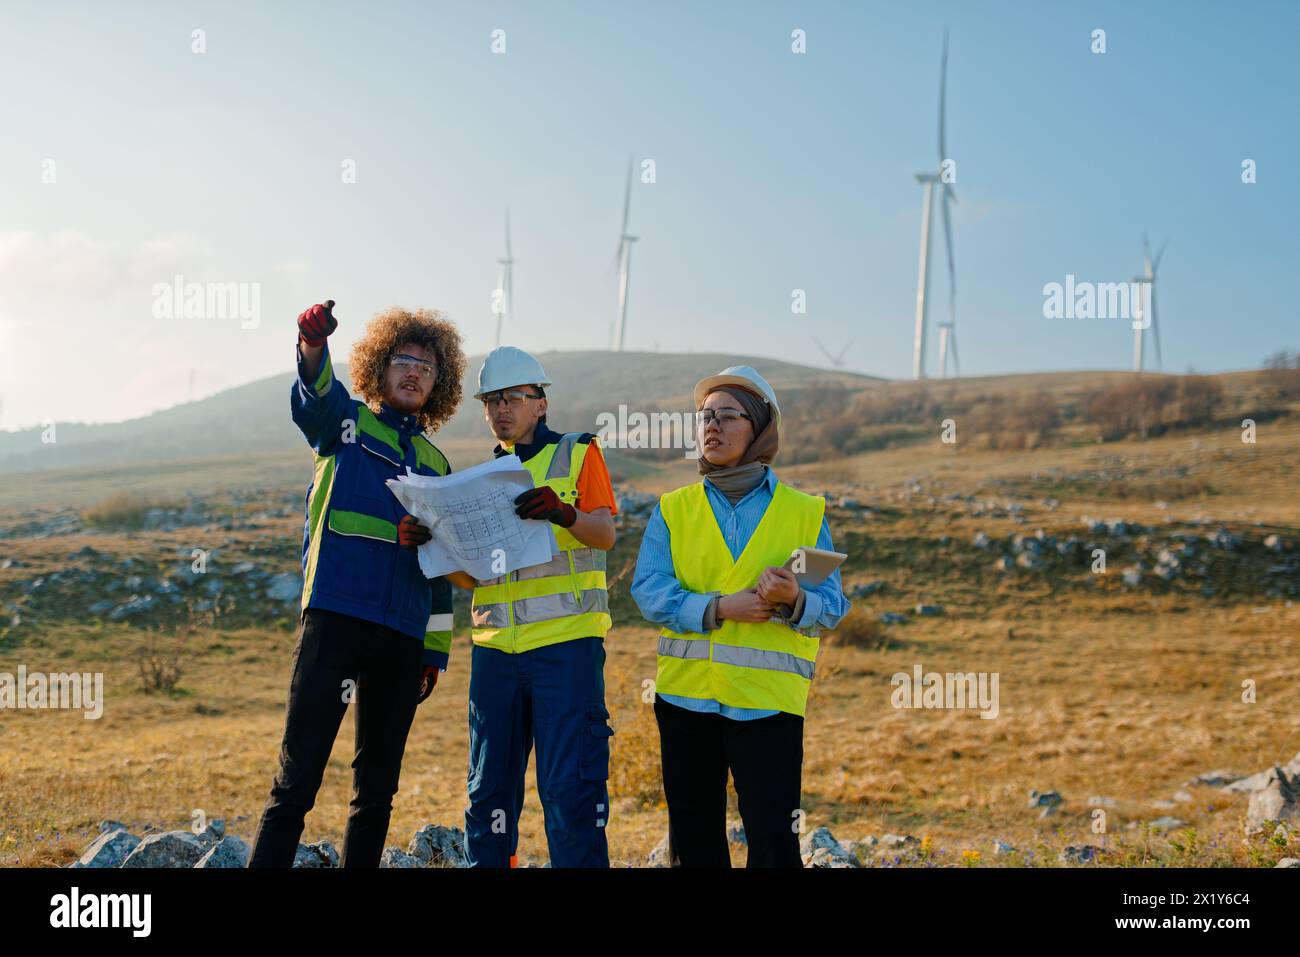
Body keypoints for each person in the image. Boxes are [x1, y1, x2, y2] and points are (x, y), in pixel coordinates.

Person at [248, 300, 466, 868]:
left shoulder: (436, 463)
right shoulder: (345, 424)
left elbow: (441, 569)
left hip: (401, 637)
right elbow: (314, 397)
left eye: (427, 366)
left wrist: (433, 652)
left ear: (439, 383)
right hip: (336, 619)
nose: (414, 372)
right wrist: (312, 345)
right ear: (378, 367)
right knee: (297, 780)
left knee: (376, 793)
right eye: (403, 360)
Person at [631, 365, 850, 867]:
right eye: (705, 416)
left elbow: (833, 607)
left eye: (727, 416)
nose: (711, 426)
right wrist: (718, 607)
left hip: (769, 703)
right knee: (693, 842)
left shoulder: (805, 512)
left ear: (759, 428)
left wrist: (796, 598)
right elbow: (648, 591)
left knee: (774, 843)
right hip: (687, 699)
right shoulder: (672, 508)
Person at [441, 346, 618, 868]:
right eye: (490, 401)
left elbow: (605, 533)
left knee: (570, 791)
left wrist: (564, 512)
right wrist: (433, 544)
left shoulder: (579, 454)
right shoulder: (481, 480)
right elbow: (473, 579)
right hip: (495, 655)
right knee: (487, 791)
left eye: (513, 398)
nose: (501, 409)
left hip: (565, 651)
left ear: (540, 403)